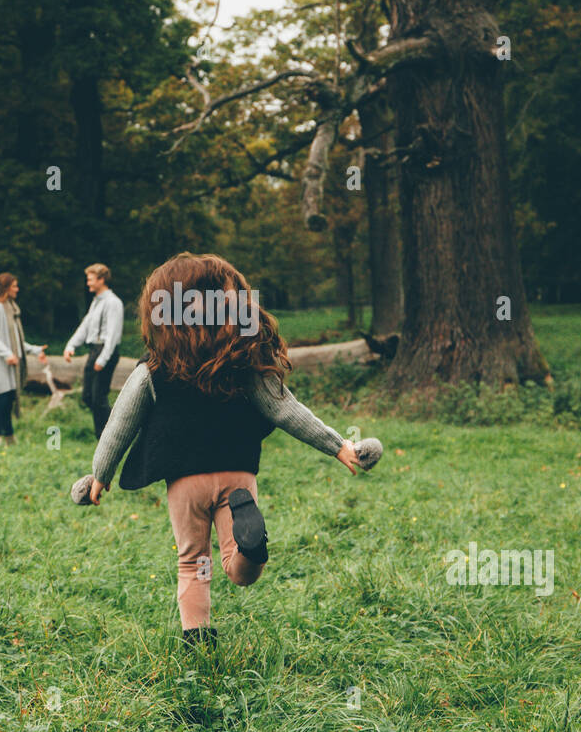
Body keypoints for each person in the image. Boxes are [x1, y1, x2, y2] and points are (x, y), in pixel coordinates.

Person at [69, 252, 382, 647]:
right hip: (238, 475)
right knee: (237, 566)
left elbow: (119, 426)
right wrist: (341, 446)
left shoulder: (152, 372)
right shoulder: (245, 365)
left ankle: (197, 637)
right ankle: (251, 549)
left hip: (186, 480)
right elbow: (286, 410)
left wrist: (100, 475)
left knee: (193, 561)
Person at [0, 273, 48, 446]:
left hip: (8, 362)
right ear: (6, 288)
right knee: (3, 400)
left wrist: (35, 349)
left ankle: (9, 438)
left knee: (7, 399)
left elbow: (16, 340)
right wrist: (7, 354)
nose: (17, 289)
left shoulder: (10, 309)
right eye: (14, 286)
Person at [63, 263, 125, 437]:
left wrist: (103, 359)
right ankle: (113, 427)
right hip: (94, 351)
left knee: (98, 398)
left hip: (105, 351)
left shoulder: (113, 303)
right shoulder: (96, 302)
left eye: (90, 279)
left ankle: (106, 437)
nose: (87, 283)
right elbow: (86, 326)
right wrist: (71, 345)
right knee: (88, 397)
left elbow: (113, 334)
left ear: (101, 279)